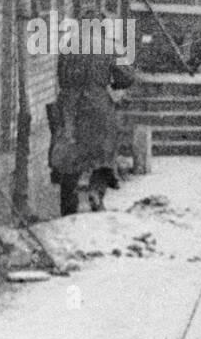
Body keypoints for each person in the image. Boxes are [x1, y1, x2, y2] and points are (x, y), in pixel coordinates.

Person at [48, 45, 135, 216]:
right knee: (105, 151)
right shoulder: (111, 47)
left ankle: (68, 208)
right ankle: (96, 191)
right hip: (97, 104)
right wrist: (113, 85)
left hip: (69, 106)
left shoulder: (68, 46)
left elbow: (60, 75)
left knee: (70, 154)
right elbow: (127, 76)